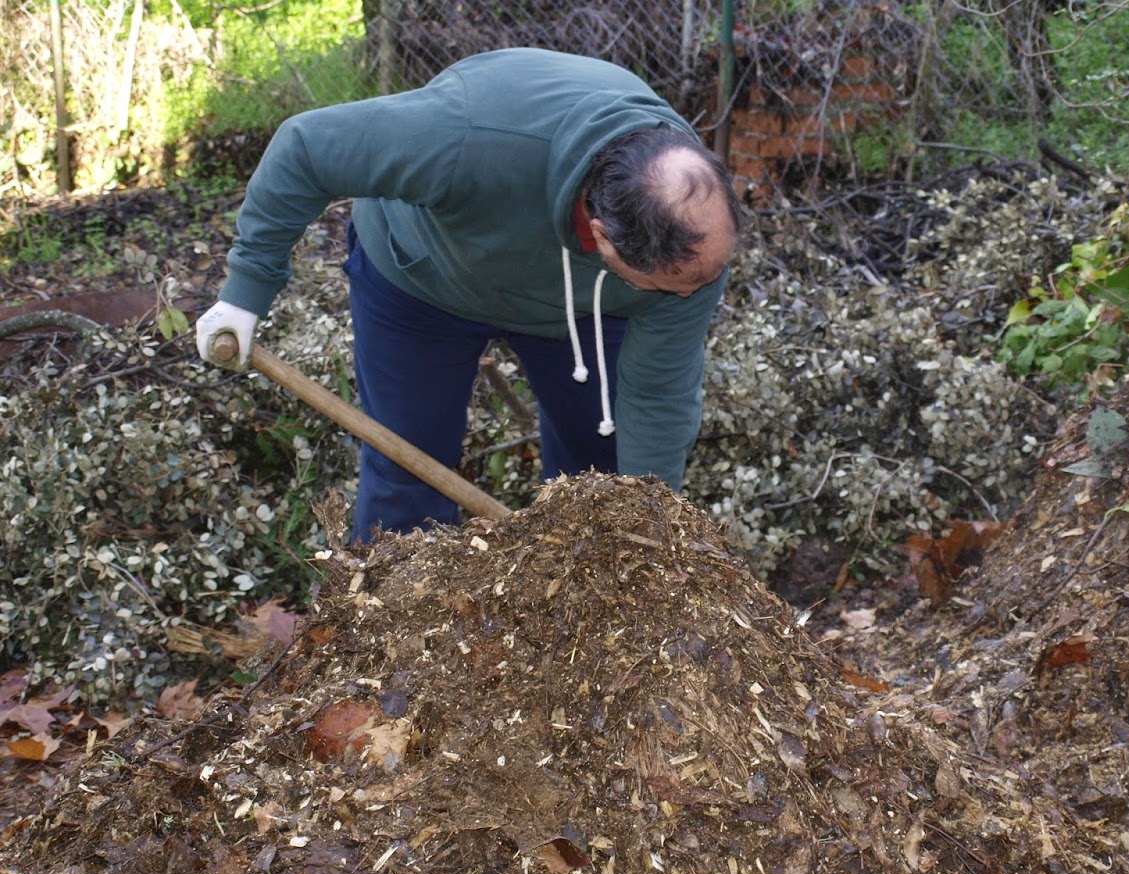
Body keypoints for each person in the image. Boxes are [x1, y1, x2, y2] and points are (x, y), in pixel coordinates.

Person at [196, 47, 742, 543]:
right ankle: (391, 635)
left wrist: (651, 527)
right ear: (603, 238)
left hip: (579, 311)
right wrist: (246, 292)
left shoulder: (691, 245)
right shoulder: (469, 135)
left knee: (603, 482)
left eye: (701, 279)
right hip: (423, 285)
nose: (694, 294)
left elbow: (658, 396)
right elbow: (307, 148)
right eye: (678, 287)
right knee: (407, 474)